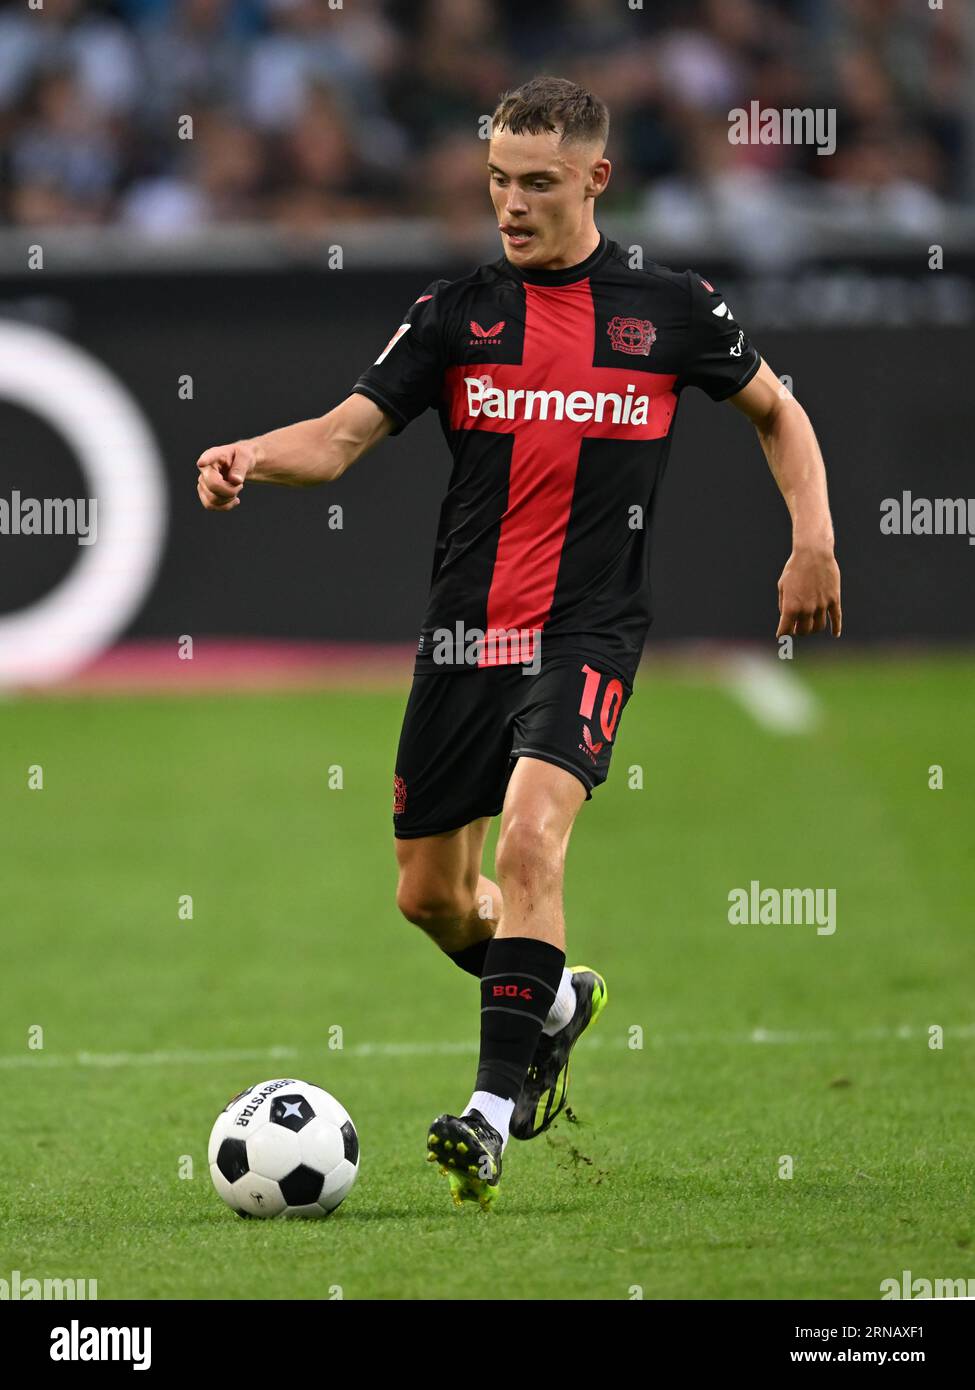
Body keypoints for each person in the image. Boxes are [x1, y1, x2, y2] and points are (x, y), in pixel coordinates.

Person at [197, 75, 842, 1211]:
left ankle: (490, 1116)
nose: (512, 201)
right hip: (463, 638)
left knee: (531, 849)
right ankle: (552, 1003)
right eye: (498, 178)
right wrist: (252, 451)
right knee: (428, 898)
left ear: (597, 178)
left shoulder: (669, 308)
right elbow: (343, 439)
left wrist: (815, 542)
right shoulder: (458, 314)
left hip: (587, 630)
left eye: (538, 182)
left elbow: (778, 412)